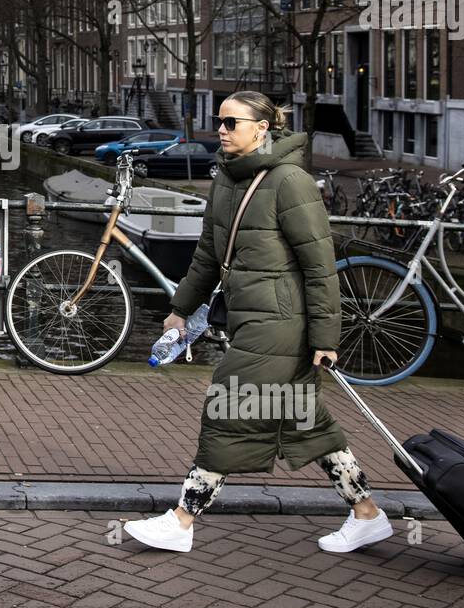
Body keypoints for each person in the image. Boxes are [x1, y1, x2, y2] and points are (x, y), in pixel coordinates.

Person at [125, 91, 392, 556]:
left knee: (228, 405)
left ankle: (182, 519)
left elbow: (320, 267)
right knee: (305, 420)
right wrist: (181, 310)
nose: (222, 130)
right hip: (251, 321)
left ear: (262, 128)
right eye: (220, 122)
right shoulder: (226, 179)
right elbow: (207, 255)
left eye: (232, 122)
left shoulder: (290, 182)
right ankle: (367, 513)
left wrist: (327, 338)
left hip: (283, 325)